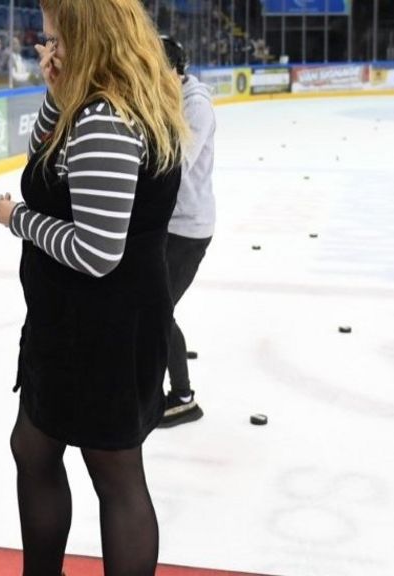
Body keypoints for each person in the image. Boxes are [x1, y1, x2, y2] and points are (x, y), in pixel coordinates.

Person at [0, 1, 188, 574]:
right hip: (76, 321)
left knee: (115, 474)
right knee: (34, 447)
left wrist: (16, 218)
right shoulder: (104, 103)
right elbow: (46, 164)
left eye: (54, 38)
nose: (44, 49)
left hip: (99, 329)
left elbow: (97, 253)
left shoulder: (106, 117)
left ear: (88, 39)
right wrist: (56, 94)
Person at [158, 35, 216, 428]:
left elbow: (172, 165)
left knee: (158, 311)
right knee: (150, 308)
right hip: (165, 224)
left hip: (188, 230)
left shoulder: (196, 106)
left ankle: (182, 397)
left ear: (177, 72)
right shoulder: (165, 94)